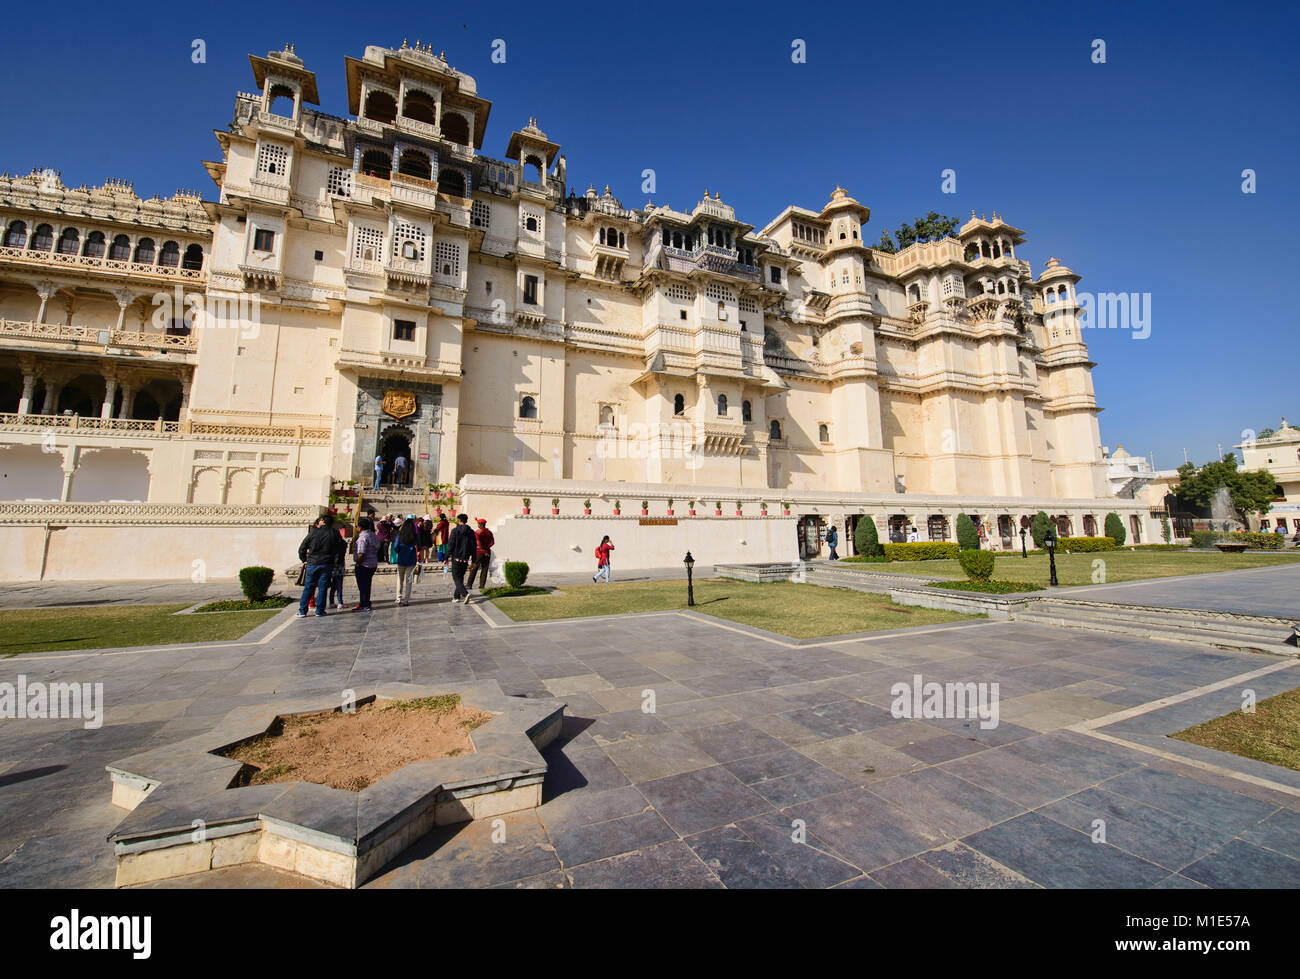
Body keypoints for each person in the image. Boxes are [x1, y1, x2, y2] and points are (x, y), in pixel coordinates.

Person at [297, 514, 344, 617]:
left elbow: (302, 548)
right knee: (323, 588)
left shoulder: (313, 532)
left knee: (309, 587)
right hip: (327, 563)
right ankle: (320, 610)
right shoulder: (334, 533)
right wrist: (336, 561)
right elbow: (340, 549)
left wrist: (304, 560)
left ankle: (302, 611)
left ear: (323, 521)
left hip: (313, 563)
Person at [448, 513, 477, 603]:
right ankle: (456, 596)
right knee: (460, 577)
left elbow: (451, 545)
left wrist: (446, 557)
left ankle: (465, 594)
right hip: (465, 558)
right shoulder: (471, 532)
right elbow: (474, 547)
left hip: (456, 558)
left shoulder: (455, 531)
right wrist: (473, 560)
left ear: (459, 520)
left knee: (456, 577)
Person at [352, 516, 379, 611]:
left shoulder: (362, 537)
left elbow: (361, 553)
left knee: (363, 585)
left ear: (360, 527)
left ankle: (364, 604)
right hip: (373, 563)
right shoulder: (373, 535)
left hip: (364, 564)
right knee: (367, 584)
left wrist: (358, 563)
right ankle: (366, 602)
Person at [393, 515, 419, 606]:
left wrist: (400, 551)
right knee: (409, 581)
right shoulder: (415, 536)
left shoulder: (400, 536)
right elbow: (419, 547)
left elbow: (395, 547)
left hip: (401, 560)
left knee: (400, 579)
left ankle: (398, 597)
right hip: (411, 560)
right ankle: (406, 600)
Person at [467, 517, 494, 599]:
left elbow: (478, 543)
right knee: (485, 568)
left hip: (479, 552)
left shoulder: (478, 532)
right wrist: (487, 549)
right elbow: (492, 542)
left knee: (474, 567)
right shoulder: (489, 532)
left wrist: (483, 550)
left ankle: (469, 584)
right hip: (487, 552)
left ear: (480, 524)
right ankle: (482, 585)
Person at [328, 522, 350, 609]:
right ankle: (340, 602)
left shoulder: (332, 544)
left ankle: (331, 602)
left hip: (333, 565)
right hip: (339, 566)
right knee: (339, 585)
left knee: (333, 586)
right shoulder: (342, 543)